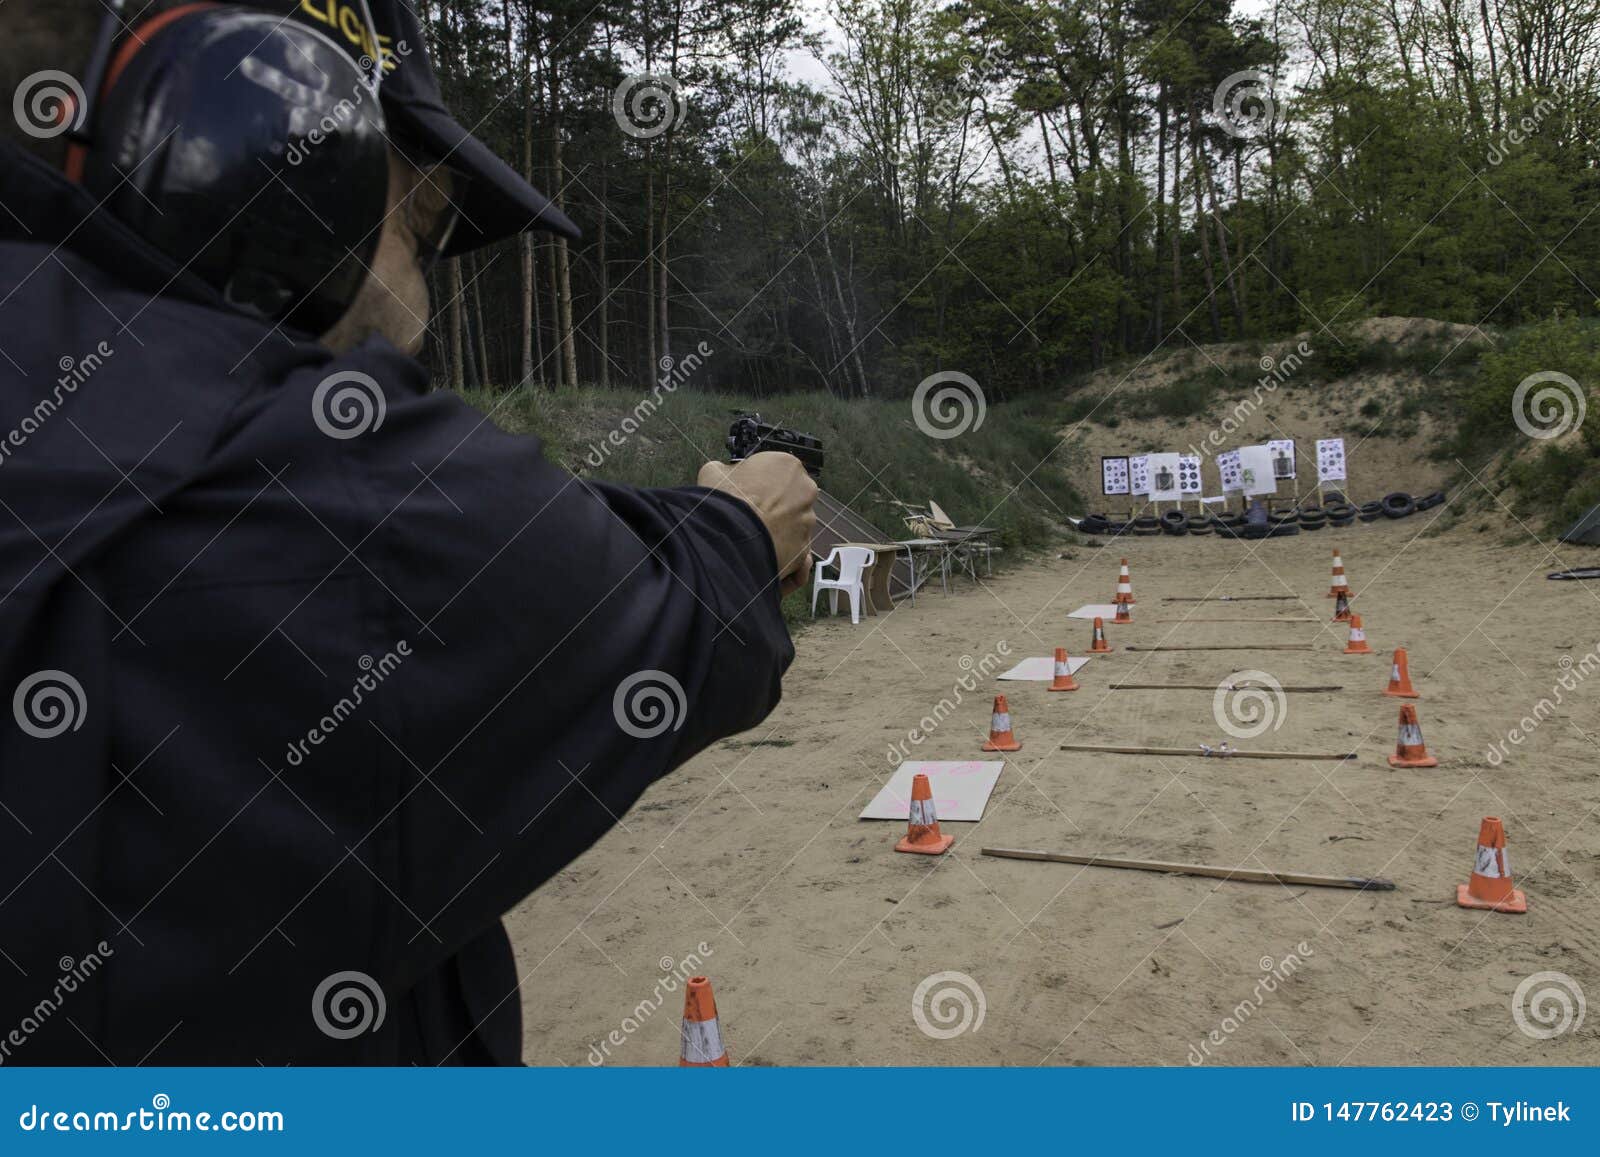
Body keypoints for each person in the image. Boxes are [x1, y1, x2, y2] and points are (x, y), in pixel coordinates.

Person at [0, 0, 815, 1064]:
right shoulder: (261, 479)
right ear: (273, 162)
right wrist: (744, 524)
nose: (420, 307)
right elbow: (628, 601)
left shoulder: (67, 395)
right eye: (416, 231)